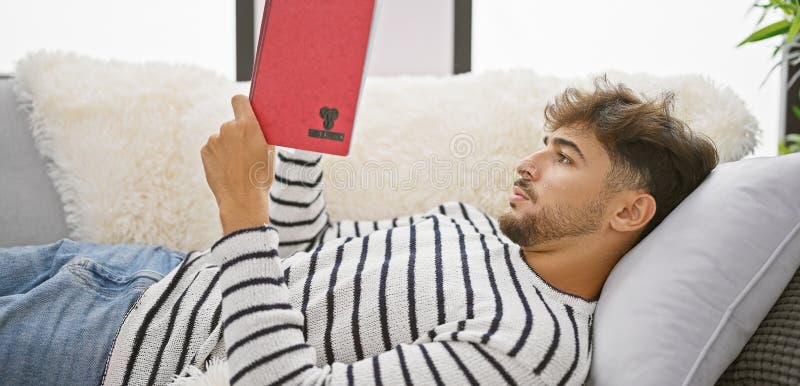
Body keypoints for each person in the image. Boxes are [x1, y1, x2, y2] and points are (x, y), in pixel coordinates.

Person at [0, 76, 719, 386]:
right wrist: (299, 151)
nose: (527, 165)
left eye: (564, 158)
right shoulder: (476, 228)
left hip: (115, 345)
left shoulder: (529, 347)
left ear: (629, 212)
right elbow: (304, 257)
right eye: (544, 146)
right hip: (135, 271)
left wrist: (240, 211)